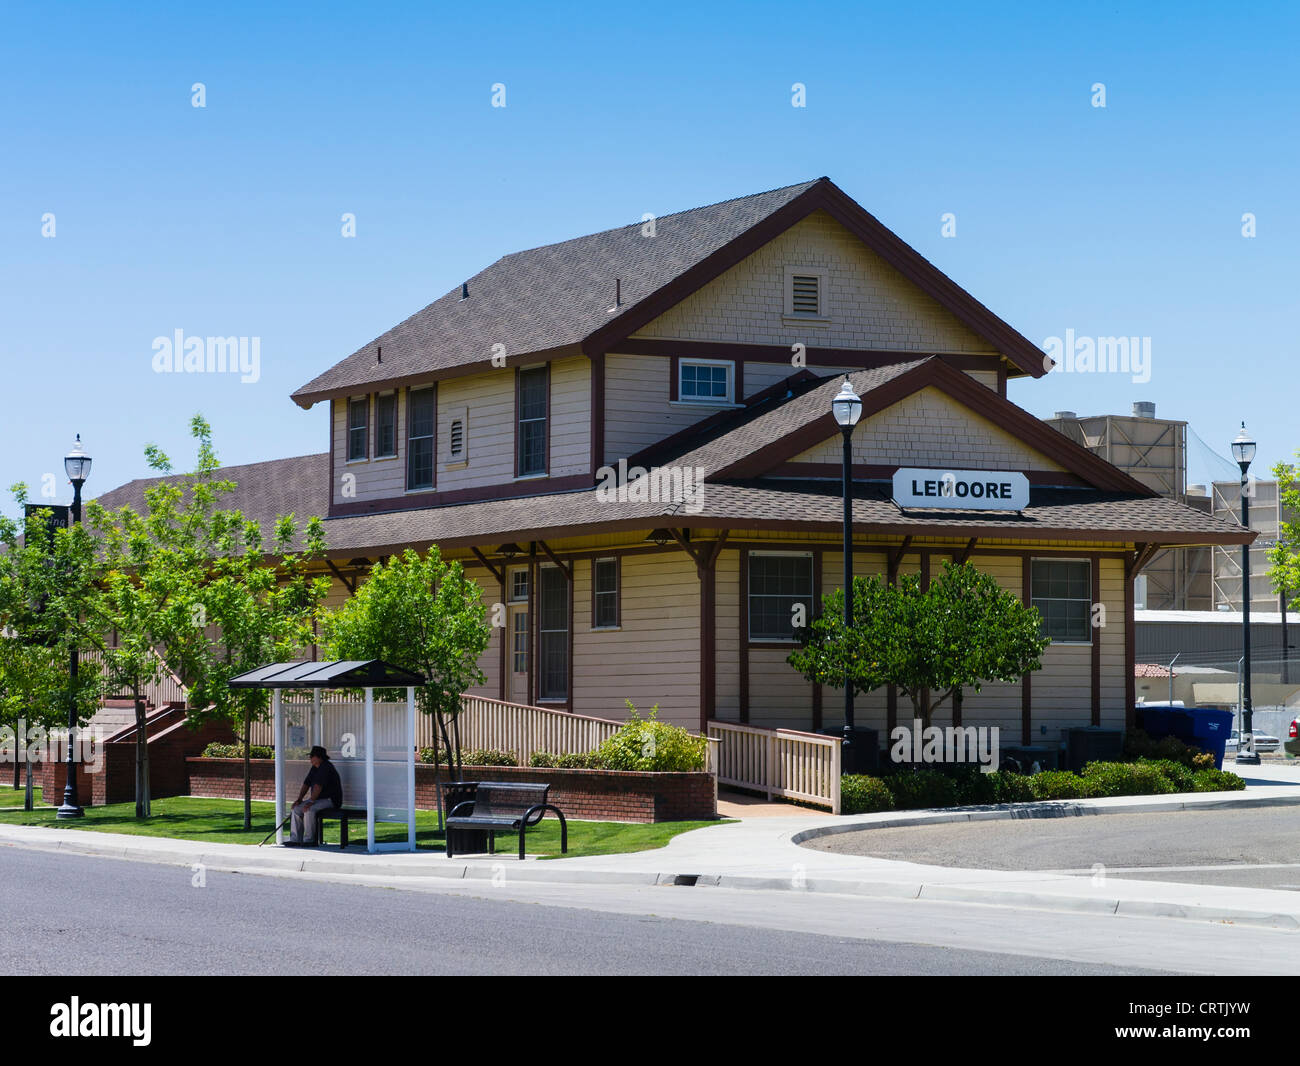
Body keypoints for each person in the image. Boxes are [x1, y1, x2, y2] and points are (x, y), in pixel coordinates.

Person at [290, 746, 343, 845]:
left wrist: (311, 802)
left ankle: (309, 840)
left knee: (309, 810)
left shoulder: (326, 767)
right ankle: (295, 840)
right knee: (296, 809)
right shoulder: (315, 768)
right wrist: (299, 800)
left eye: (312, 756)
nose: (310, 759)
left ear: (319, 757)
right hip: (318, 800)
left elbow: (318, 786)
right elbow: (306, 784)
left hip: (331, 800)